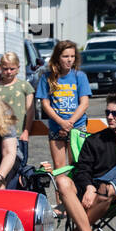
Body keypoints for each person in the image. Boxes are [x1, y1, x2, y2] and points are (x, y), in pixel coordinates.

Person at [48, 93, 116, 231]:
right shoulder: (94, 140)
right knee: (63, 181)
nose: (110, 117)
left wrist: (100, 188)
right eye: (108, 112)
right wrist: (89, 187)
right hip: (89, 193)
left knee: (108, 188)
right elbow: (82, 169)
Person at [35, 40, 90, 170]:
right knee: (59, 168)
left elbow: (84, 103)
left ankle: (76, 191)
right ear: (57, 57)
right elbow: (45, 103)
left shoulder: (80, 76)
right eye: (65, 56)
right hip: (56, 127)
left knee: (76, 166)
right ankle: (60, 191)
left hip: (76, 127)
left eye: (72, 56)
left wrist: (69, 123)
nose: (69, 60)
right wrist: (61, 123)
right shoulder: (47, 77)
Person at [0, 50, 36, 162]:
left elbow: (30, 110)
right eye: (5, 68)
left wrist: (26, 131)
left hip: (19, 134)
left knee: (19, 165)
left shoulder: (24, 86)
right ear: (0, 68)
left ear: (18, 68)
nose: (8, 72)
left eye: (12, 69)